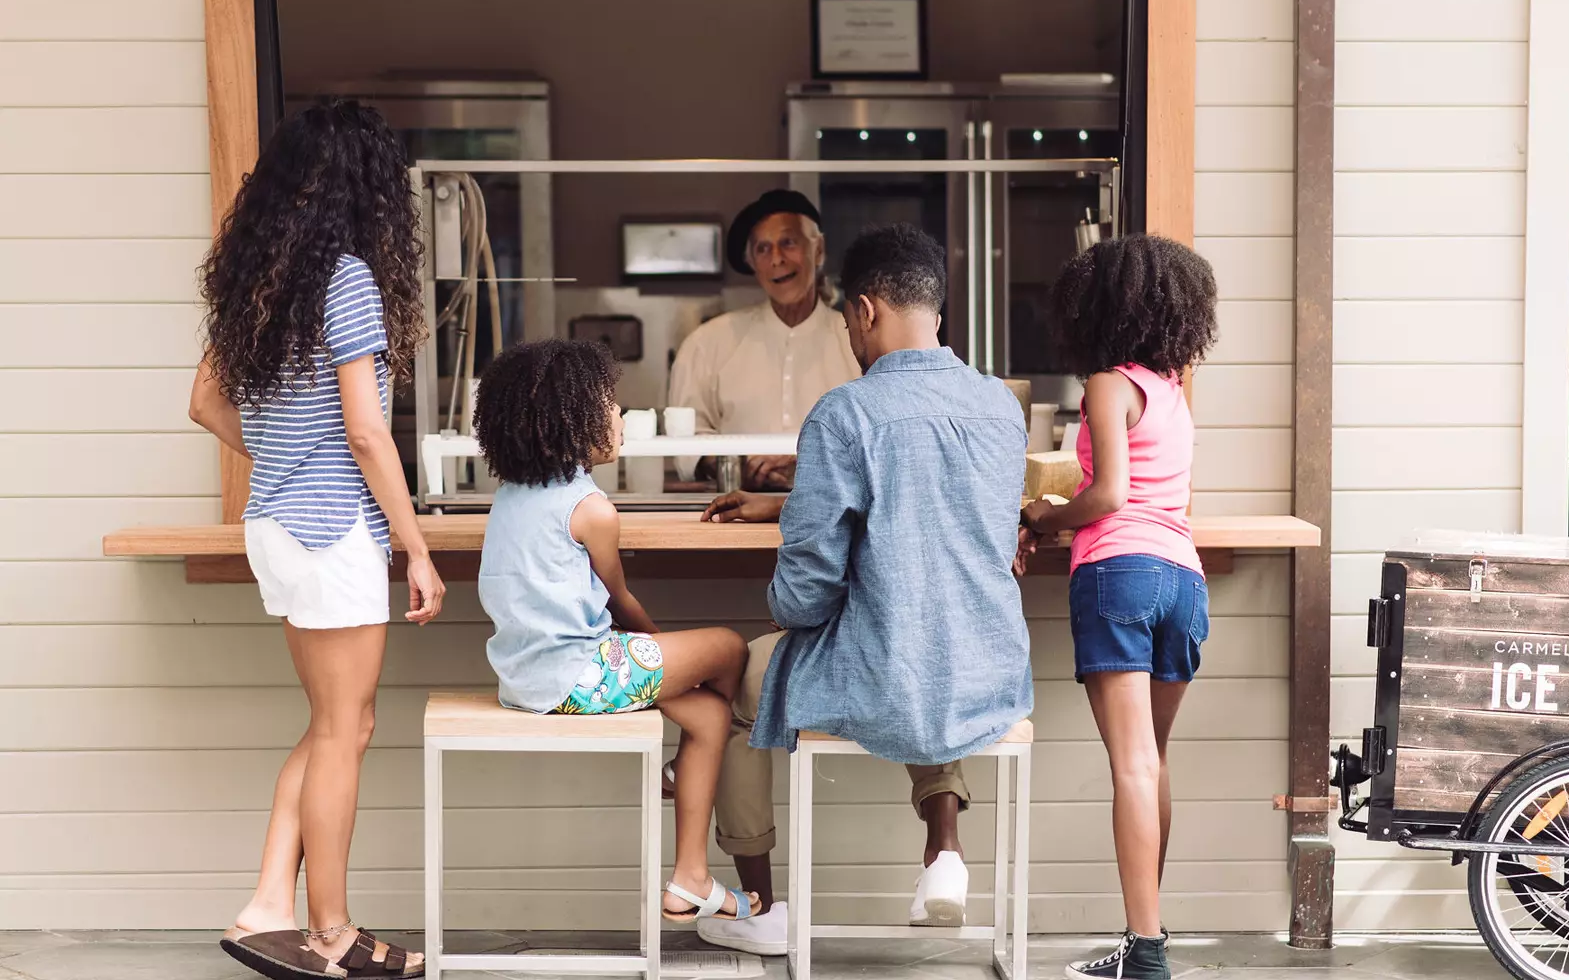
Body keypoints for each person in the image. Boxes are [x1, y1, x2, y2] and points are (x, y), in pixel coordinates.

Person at [691, 224, 1033, 956]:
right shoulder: (1001, 407)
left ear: (868, 310)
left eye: (847, 319)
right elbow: (933, 506)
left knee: (732, 686)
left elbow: (806, 595)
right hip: (991, 670)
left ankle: (762, 905)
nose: (849, 333)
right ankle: (944, 851)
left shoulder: (846, 414)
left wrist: (790, 601)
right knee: (921, 626)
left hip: (887, 669)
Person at [189, 102, 446, 980]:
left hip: (275, 525)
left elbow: (204, 403)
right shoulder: (344, 278)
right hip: (334, 528)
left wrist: (284, 452)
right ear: (367, 189)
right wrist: (414, 547)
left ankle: (268, 902)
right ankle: (332, 933)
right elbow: (369, 435)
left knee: (340, 720)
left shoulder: (256, 278)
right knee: (344, 729)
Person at [471, 338, 761, 926]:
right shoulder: (591, 508)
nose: (621, 416)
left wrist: (662, 658)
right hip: (581, 674)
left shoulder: (509, 496)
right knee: (728, 648)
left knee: (707, 718)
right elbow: (621, 601)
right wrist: (673, 653)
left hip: (524, 676)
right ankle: (682, 782)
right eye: (609, 404)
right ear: (572, 420)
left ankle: (690, 880)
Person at [1015, 235, 1217, 980]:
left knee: (1131, 766)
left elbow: (1108, 497)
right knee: (1153, 761)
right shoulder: (1171, 390)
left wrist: (1039, 516)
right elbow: (1165, 495)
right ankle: (1145, 936)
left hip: (1120, 572)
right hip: (1183, 581)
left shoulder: (1108, 383)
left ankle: (1148, 951)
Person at [667, 189, 859, 491]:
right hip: (736, 517)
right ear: (753, 264)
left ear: (818, 250)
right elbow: (686, 441)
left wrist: (810, 466)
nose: (777, 259)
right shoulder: (708, 343)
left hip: (838, 521)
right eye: (762, 249)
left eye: (788, 243)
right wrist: (736, 466)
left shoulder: (856, 339)